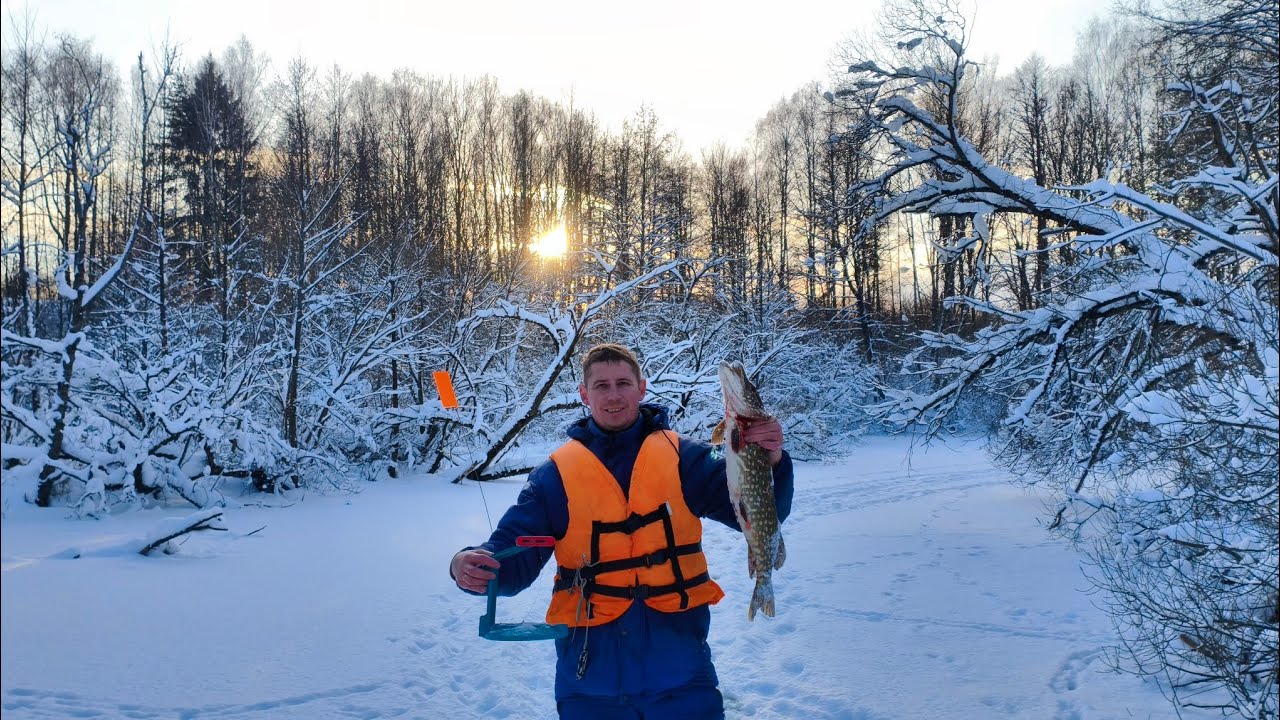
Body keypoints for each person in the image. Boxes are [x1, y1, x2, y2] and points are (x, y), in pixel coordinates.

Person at [450, 343, 793, 720]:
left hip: (683, 680)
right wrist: (469, 564)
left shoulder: (691, 457)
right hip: (590, 686)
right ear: (584, 394)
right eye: (601, 385)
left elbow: (764, 512)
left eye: (623, 383)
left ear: (642, 388)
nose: (613, 395)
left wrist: (770, 458)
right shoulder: (553, 476)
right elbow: (512, 556)